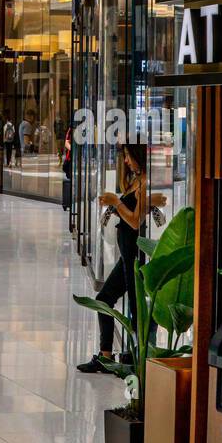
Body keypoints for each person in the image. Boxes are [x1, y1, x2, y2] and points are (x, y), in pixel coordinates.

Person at [77, 143, 167, 373]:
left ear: (138, 155)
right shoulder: (135, 180)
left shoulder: (145, 184)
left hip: (135, 257)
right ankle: (105, 356)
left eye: (128, 156)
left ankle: (141, 363)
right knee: (104, 299)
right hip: (126, 256)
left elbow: (136, 221)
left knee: (136, 311)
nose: (125, 161)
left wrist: (116, 203)